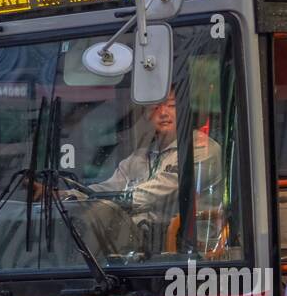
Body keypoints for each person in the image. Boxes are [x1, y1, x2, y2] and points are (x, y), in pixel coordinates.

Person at [94, 89, 224, 254]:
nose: (163, 113)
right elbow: (109, 187)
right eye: (155, 107)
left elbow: (157, 193)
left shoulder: (201, 149)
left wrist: (115, 199)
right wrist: (72, 194)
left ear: (185, 110)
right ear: (146, 114)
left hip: (192, 248)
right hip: (148, 243)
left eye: (171, 106)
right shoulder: (140, 156)